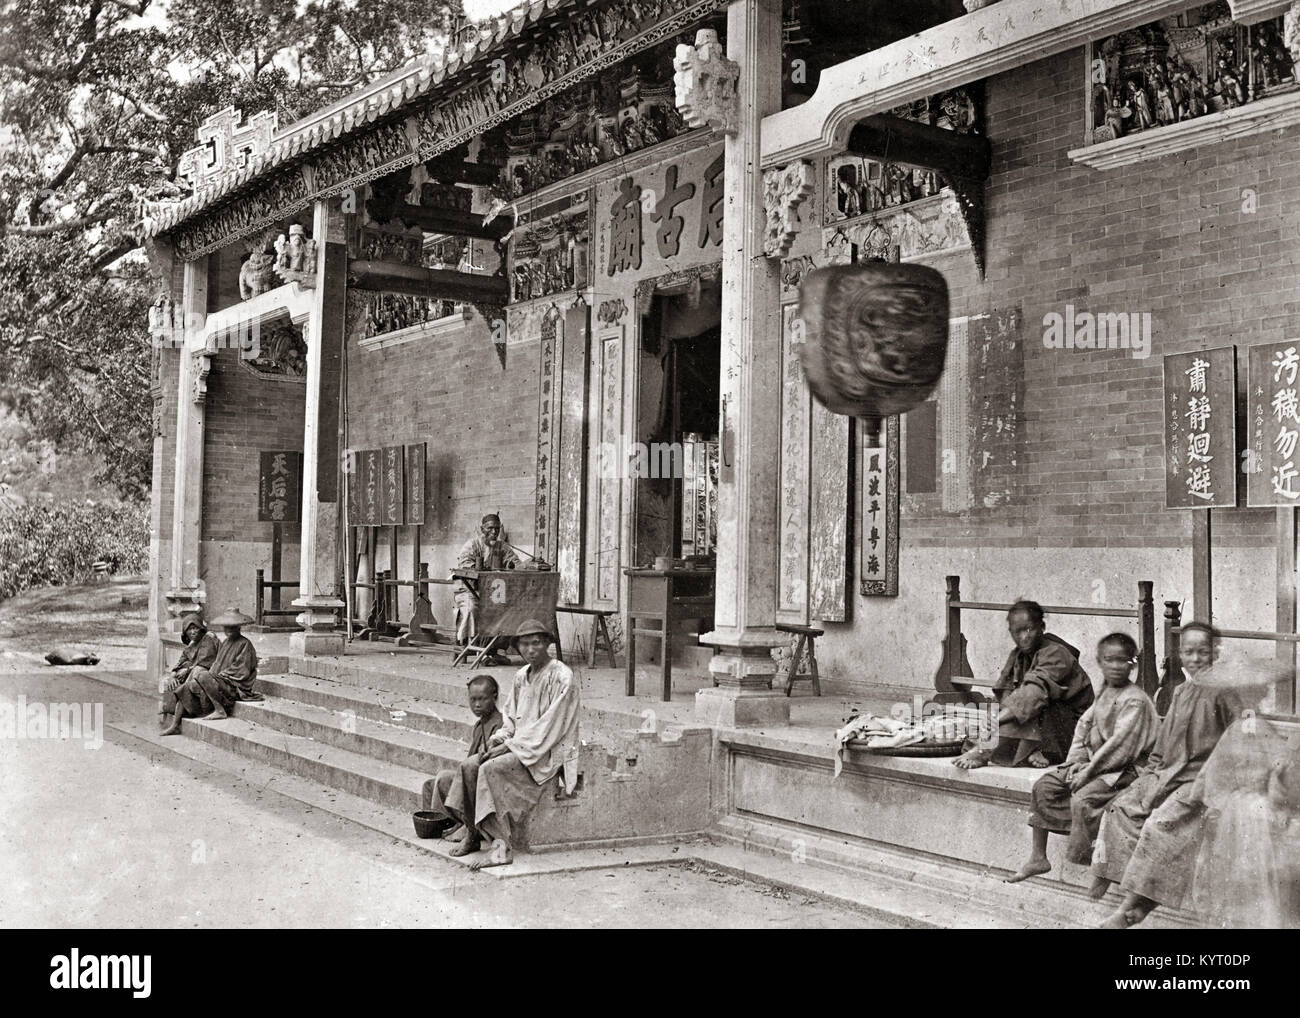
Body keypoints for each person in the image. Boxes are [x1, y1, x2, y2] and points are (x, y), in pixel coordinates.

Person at [1093, 622, 1244, 927]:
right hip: (1169, 772)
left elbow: (1242, 735)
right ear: (1181, 655)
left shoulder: (1225, 692)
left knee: (1160, 824)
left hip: (1201, 778)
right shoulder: (1181, 691)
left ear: (1215, 653)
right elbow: (1165, 742)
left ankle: (1131, 906)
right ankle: (1113, 878)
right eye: (1189, 652)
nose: (1196, 659)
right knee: (1122, 806)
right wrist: (1150, 775)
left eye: (1203, 652)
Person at [1006, 633, 1157, 883]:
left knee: (1083, 799)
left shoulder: (1135, 700)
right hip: (1096, 764)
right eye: (1109, 660)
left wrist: (1088, 773)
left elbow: (1120, 747)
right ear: (1100, 662)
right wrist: (1074, 764)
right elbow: (1083, 729)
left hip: (1127, 769)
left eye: (1122, 661)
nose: (1115, 666)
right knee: (1045, 786)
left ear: (1133, 664)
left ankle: (1099, 867)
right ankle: (1038, 857)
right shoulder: (1106, 693)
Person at [441, 619, 580, 870]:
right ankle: (472, 833)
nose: (530, 650)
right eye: (524, 644)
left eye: (536, 643)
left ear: (547, 643)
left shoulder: (562, 677)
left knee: (489, 769)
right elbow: (510, 720)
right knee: (470, 765)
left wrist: (510, 747)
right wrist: (498, 740)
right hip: (520, 747)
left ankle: (501, 848)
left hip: (544, 753)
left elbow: (550, 726)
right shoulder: (520, 676)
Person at [1189, 706, 1300, 928]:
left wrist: (1213, 804)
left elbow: (1209, 779)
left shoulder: (1239, 730)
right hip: (1255, 810)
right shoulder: (1260, 732)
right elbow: (1282, 785)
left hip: (1237, 809)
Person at [954, 600, 1095, 769]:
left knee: (1026, 708)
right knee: (1003, 715)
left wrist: (997, 720)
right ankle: (1035, 750)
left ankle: (985, 751)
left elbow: (1033, 694)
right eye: (1017, 632)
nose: (1024, 637)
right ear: (1010, 632)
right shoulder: (1018, 656)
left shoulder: (1056, 653)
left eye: (1029, 629)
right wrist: (991, 719)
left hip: (1074, 730)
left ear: (1042, 627)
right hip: (1045, 727)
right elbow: (1005, 694)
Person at [419, 674, 503, 841]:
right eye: (473, 700)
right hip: (471, 777)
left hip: (484, 785)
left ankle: (470, 827)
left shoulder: (500, 725)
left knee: (443, 778)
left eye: (482, 699)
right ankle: (438, 824)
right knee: (429, 785)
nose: (477, 704)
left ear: (494, 697)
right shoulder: (479, 724)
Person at [160, 608, 261, 735]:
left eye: (232, 627)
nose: (229, 630)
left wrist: (218, 676)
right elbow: (216, 665)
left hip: (233, 685)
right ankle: (175, 725)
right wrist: (212, 676)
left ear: (239, 628)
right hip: (221, 681)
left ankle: (220, 710)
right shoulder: (226, 642)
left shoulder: (244, 644)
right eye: (226, 627)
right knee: (187, 687)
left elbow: (242, 670)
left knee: (202, 675)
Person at [453, 513, 519, 652]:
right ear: (482, 529)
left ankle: (492, 649)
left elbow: (515, 562)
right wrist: (482, 570)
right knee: (472, 608)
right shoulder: (472, 545)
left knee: (509, 610)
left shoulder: (503, 547)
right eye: (490, 528)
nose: (494, 532)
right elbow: (464, 564)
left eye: (497, 529)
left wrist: (514, 565)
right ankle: (468, 645)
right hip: (469, 591)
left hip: (492, 593)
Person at [158, 613, 220, 728]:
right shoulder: (192, 644)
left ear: (200, 628)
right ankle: (174, 706)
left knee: (197, 670)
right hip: (193, 674)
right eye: (189, 629)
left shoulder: (208, 639)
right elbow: (180, 662)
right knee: (176, 677)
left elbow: (205, 661)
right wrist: (172, 675)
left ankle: (175, 707)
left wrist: (187, 670)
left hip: (208, 678)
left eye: (195, 628)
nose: (193, 632)